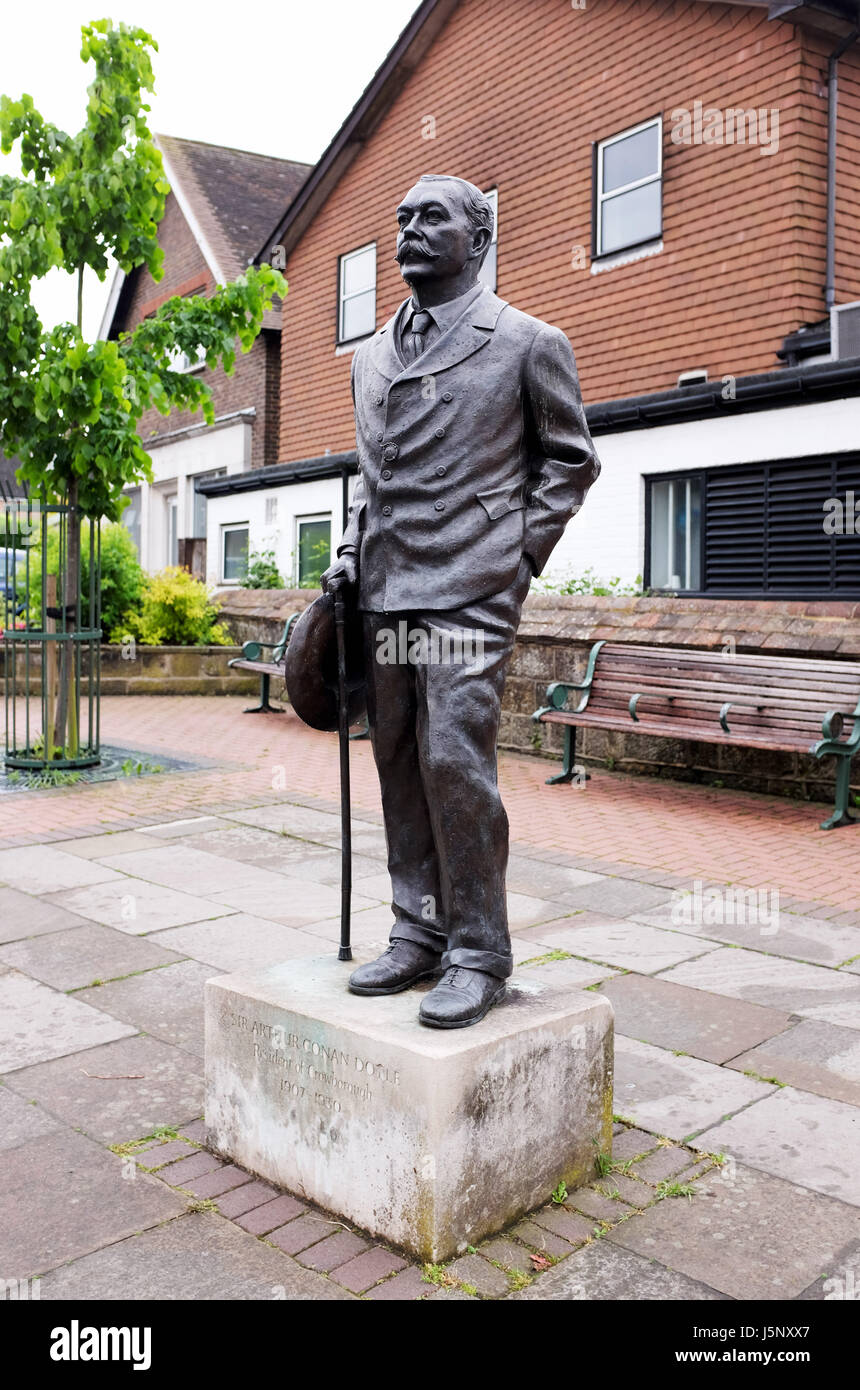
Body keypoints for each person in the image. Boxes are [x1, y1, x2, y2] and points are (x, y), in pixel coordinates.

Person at [321, 173, 600, 1028]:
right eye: (401, 217)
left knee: (453, 759)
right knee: (398, 753)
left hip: (470, 590)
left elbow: (570, 462)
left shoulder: (526, 341)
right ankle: (418, 929)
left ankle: (479, 950)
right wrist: (346, 554)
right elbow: (374, 480)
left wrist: (516, 559)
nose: (408, 229)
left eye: (430, 216)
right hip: (388, 586)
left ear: (477, 237)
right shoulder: (370, 355)